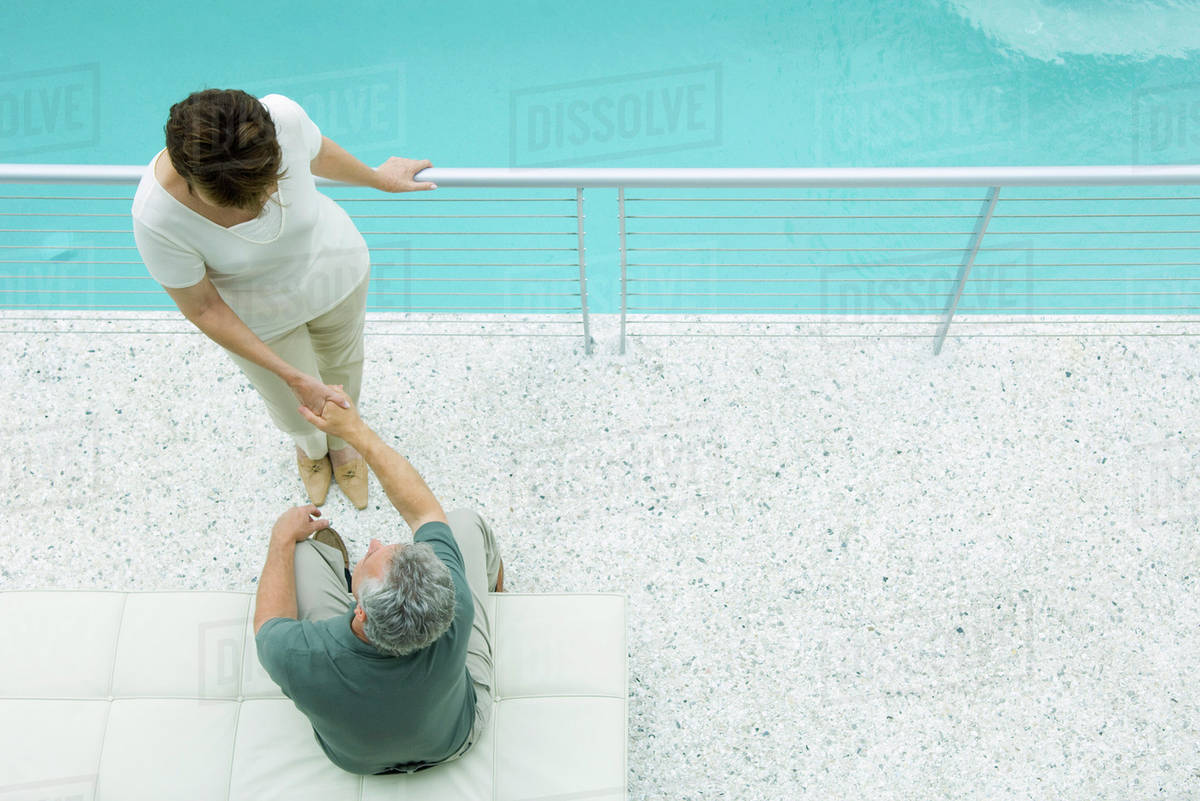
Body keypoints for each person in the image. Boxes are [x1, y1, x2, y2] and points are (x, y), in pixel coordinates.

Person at [131, 88, 436, 508]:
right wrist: (292, 376)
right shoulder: (157, 217)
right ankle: (311, 450)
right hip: (259, 317)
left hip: (335, 273)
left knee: (344, 368)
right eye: (244, 202)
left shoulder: (283, 119)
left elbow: (317, 152)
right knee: (290, 400)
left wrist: (377, 178)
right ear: (192, 183)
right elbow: (202, 307)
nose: (265, 204)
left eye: (269, 185)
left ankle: (344, 445)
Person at [252, 385, 504, 775]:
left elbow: (269, 623)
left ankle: (326, 553)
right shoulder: (456, 610)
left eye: (370, 556)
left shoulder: (296, 654)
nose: (373, 542)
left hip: (356, 762)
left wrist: (281, 536)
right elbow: (424, 514)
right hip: (454, 739)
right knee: (464, 521)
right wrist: (355, 431)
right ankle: (499, 594)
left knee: (299, 553)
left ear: (361, 614)